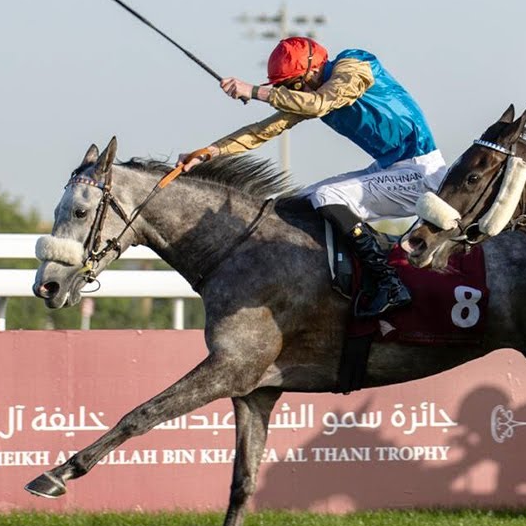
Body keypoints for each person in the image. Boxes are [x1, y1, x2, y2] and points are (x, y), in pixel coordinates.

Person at [178, 36, 445, 318]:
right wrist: (209, 152)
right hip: (390, 170)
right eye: (284, 88)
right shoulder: (314, 91)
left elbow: (319, 103)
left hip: (421, 172)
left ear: (314, 69)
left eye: (293, 85)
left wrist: (255, 91)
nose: (293, 93)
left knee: (327, 196)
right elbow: (262, 130)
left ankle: (388, 283)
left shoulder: (354, 65)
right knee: (298, 204)